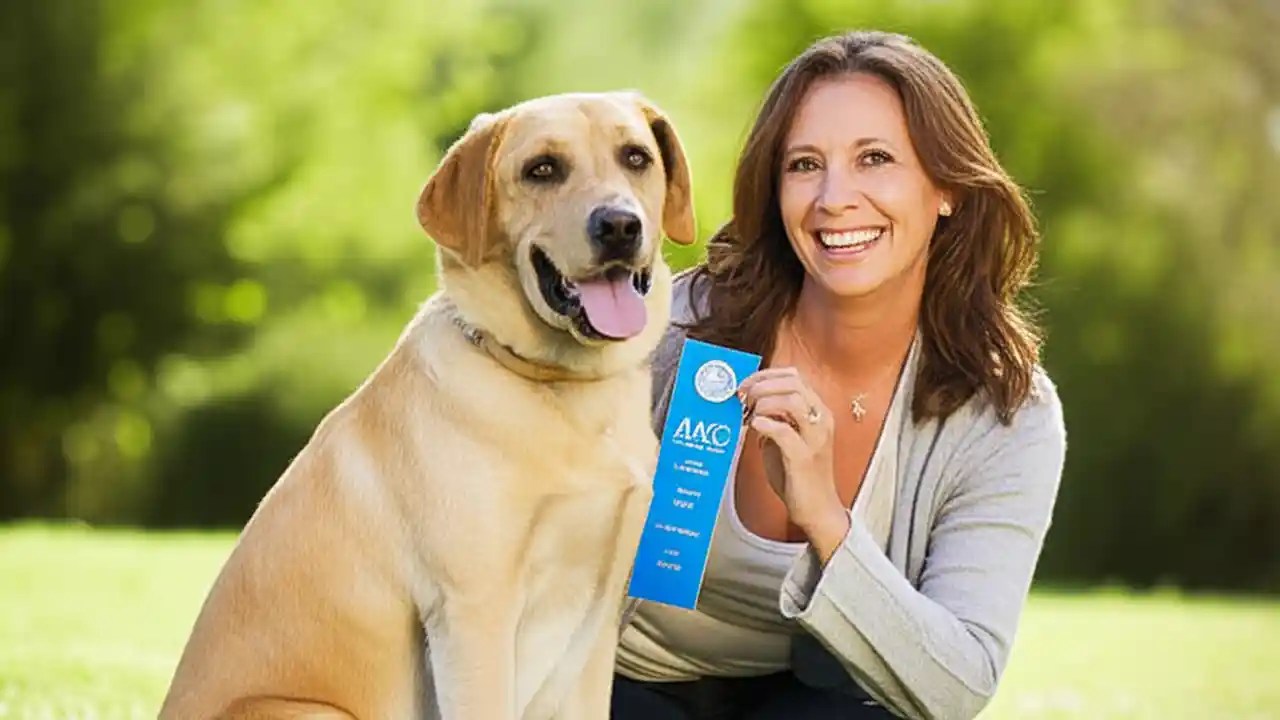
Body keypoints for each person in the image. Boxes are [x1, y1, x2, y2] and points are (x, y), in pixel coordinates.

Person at [611, 30, 1067, 720]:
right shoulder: (681, 332)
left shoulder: (1005, 411)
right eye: (804, 165)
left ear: (946, 187)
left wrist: (825, 517)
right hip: (620, 678)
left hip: (815, 699)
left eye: (875, 159)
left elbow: (955, 687)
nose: (834, 198)